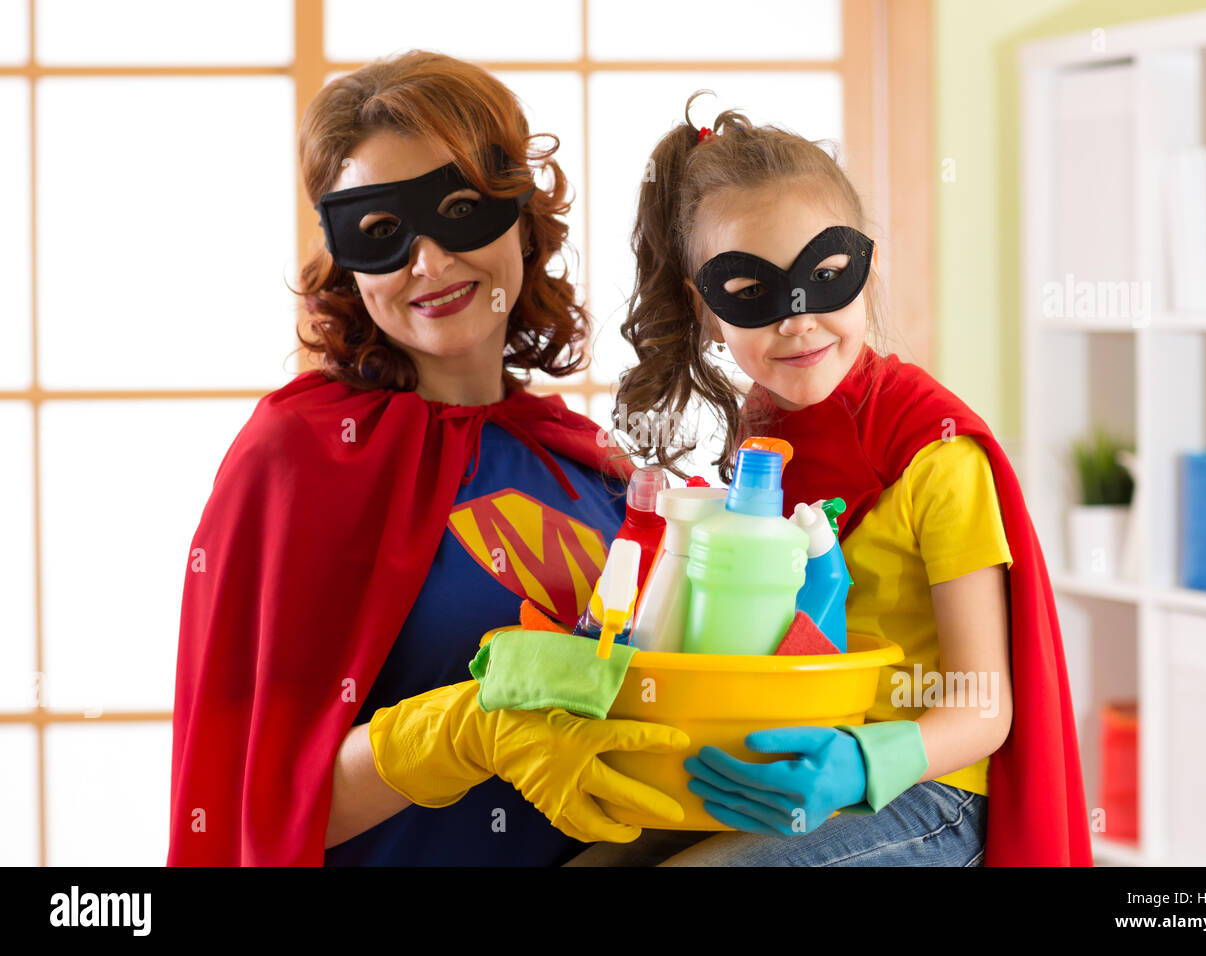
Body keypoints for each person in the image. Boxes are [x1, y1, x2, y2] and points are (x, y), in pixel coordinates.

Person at [167, 51, 687, 867]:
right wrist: (464, 731)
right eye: (381, 234)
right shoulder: (298, 458)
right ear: (348, 262)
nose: (430, 263)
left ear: (520, 215)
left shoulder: (585, 464)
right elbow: (245, 807)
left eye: (458, 210)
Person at [567, 94, 1091, 866]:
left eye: (826, 274)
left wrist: (861, 762)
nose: (799, 321)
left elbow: (985, 708)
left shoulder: (938, 456)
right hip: (787, 758)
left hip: (933, 791)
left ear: (865, 263)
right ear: (704, 309)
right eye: (751, 294)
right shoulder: (763, 429)